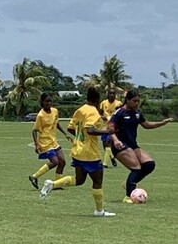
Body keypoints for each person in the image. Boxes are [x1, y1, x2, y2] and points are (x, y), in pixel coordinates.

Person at [40, 86, 116, 217]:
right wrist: (106, 131)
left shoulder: (80, 110)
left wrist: (81, 138)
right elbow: (90, 130)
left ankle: (52, 184)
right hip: (89, 153)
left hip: (77, 150)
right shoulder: (93, 112)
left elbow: (70, 128)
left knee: (80, 179)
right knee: (97, 182)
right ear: (97, 99)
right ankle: (99, 211)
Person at [108, 89, 174, 203]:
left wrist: (162, 123)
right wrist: (116, 140)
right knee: (136, 169)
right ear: (127, 100)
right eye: (134, 101)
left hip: (133, 145)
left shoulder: (137, 113)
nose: (136, 103)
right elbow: (109, 129)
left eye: (138, 101)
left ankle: (129, 183)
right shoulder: (119, 113)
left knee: (149, 165)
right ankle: (128, 196)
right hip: (120, 146)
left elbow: (146, 125)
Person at [29, 92, 73, 189]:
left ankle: (57, 183)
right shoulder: (40, 115)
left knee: (62, 161)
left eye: (50, 101)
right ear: (42, 102)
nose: (49, 103)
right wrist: (37, 145)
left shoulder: (55, 111)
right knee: (55, 162)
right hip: (44, 142)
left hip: (53, 141)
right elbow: (34, 131)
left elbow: (56, 124)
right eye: (47, 101)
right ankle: (34, 176)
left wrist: (65, 133)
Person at [99, 88, 122, 167]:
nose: (111, 95)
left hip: (113, 127)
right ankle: (111, 158)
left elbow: (121, 114)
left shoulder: (118, 103)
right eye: (110, 93)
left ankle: (105, 164)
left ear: (115, 95)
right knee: (105, 145)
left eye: (113, 93)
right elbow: (100, 113)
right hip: (104, 127)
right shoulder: (103, 103)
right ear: (107, 94)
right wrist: (103, 117)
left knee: (108, 143)